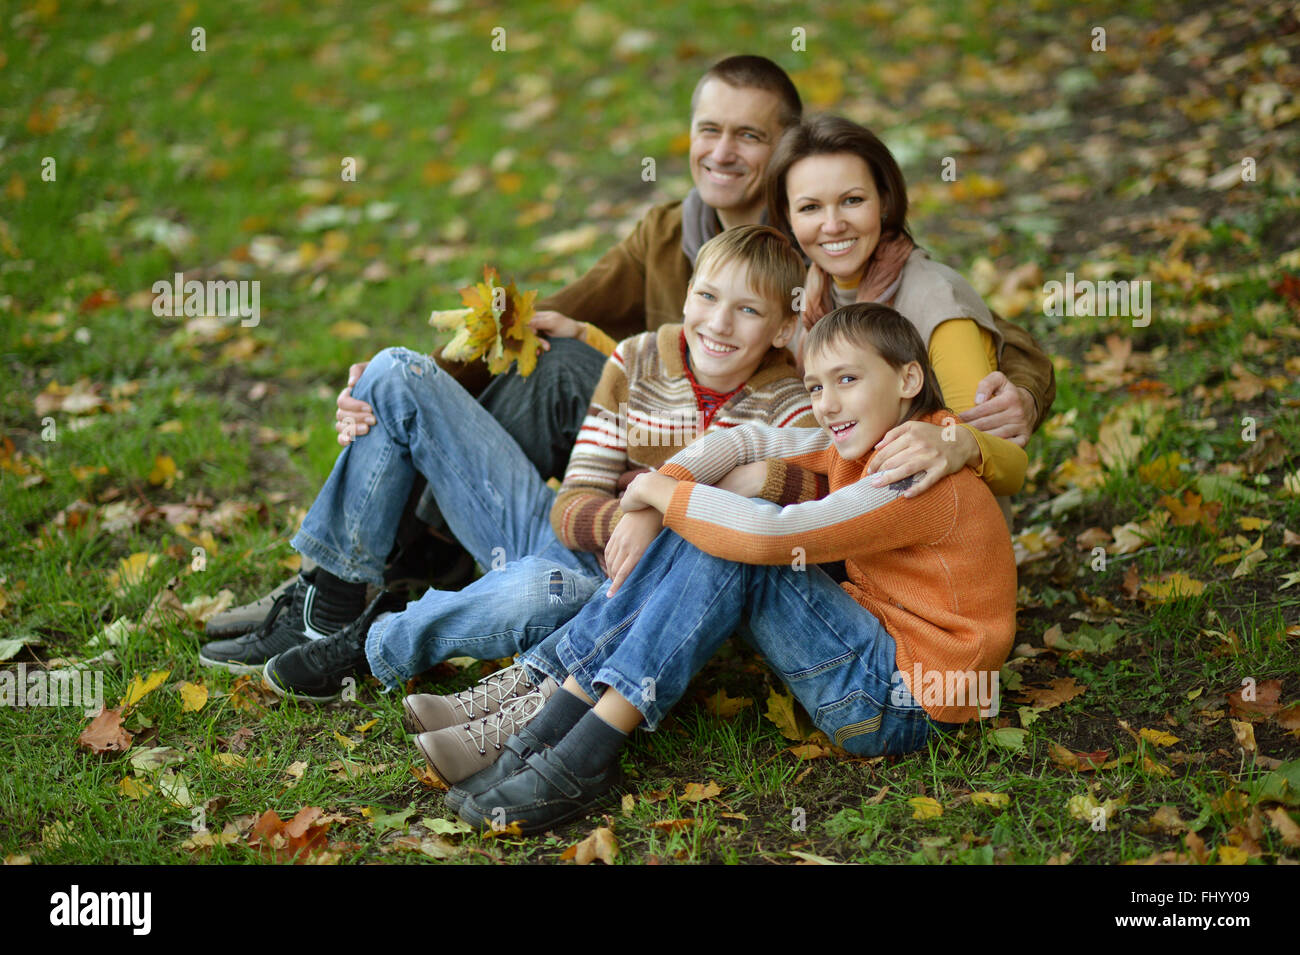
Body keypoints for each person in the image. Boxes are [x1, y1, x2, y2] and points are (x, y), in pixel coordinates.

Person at [207, 55, 1055, 636]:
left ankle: (390, 572)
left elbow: (970, 331)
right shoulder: (668, 229)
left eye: (751, 137)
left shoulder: (822, 242)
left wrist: (1001, 403)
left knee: (567, 368)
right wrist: (411, 383)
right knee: (544, 363)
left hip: (753, 472)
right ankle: (366, 568)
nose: (723, 152)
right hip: (658, 444)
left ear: (786, 154)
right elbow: (541, 314)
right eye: (709, 129)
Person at [196, 227, 816, 733]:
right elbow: (572, 504)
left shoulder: (789, 404)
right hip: (560, 540)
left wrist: (661, 504)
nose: (720, 323)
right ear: (686, 298)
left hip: (619, 597)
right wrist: (631, 512)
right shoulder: (639, 359)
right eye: (707, 298)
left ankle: (377, 640)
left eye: (748, 310)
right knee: (395, 371)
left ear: (783, 329)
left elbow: (801, 499)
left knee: (541, 593)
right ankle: (332, 596)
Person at [453, 303, 1019, 833]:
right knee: (712, 525)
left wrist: (658, 494)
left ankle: (581, 751)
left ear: (908, 380)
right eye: (816, 387)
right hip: (876, 647)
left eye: (848, 379)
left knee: (737, 538)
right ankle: (554, 729)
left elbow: (775, 535)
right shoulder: (857, 437)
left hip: (903, 702)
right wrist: (668, 488)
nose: (827, 403)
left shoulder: (911, 472)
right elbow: (747, 439)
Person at [769, 113, 1034, 518]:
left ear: (886, 201)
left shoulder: (935, 302)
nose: (833, 224)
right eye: (809, 208)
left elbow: (1011, 469)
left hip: (943, 543)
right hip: (853, 513)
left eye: (852, 200)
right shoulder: (808, 301)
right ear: (788, 218)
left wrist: (962, 442)